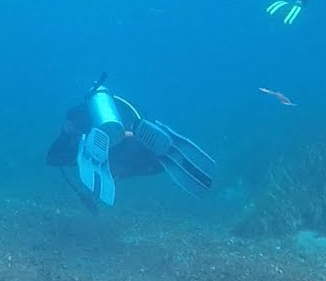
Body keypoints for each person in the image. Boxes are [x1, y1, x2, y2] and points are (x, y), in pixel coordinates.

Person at [45, 78, 218, 212]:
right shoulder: (113, 108)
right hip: (125, 142)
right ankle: (140, 133)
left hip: (109, 152)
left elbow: (53, 158)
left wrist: (67, 135)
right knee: (156, 161)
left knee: (115, 159)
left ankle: (132, 137)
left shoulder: (77, 126)